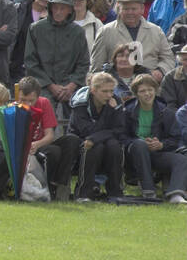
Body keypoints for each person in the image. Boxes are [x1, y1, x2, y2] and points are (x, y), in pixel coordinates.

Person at [23, 0, 89, 116]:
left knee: (78, 111)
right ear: (50, 8)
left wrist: (72, 85)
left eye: (62, 8)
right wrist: (50, 85)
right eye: (55, 8)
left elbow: (83, 63)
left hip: (70, 86)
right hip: (42, 85)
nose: (58, 12)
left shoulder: (78, 32)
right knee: (42, 108)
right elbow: (30, 62)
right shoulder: (36, 29)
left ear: (70, 10)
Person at [122, 73, 187, 203]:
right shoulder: (126, 112)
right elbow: (120, 137)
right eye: (142, 91)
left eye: (150, 90)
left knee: (181, 159)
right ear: (136, 94)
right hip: (133, 154)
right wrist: (139, 142)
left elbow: (174, 139)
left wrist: (161, 145)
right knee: (140, 145)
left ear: (155, 91)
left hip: (156, 152)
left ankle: (175, 194)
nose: (147, 94)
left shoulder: (166, 112)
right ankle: (148, 191)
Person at [16, 76, 82, 201]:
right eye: (23, 100)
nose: (27, 105)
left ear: (38, 97)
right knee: (54, 151)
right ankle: (48, 187)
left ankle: (59, 184)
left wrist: (36, 144)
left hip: (40, 144)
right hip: (22, 148)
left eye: (31, 100)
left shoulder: (44, 103)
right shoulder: (13, 107)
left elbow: (50, 135)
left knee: (72, 140)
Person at [90, 0, 176, 83]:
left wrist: (160, 71)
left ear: (142, 9)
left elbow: (168, 58)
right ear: (119, 10)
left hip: (150, 86)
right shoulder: (106, 31)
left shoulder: (156, 31)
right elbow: (97, 65)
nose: (130, 12)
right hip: (117, 88)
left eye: (134, 9)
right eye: (126, 9)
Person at [70, 71, 126, 202]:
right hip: (80, 142)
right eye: (105, 91)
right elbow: (86, 131)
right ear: (93, 90)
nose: (109, 95)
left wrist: (96, 137)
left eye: (111, 91)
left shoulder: (115, 102)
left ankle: (115, 192)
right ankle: (84, 193)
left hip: (99, 140)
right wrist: (110, 113)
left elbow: (120, 129)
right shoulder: (80, 104)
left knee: (114, 146)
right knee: (95, 147)